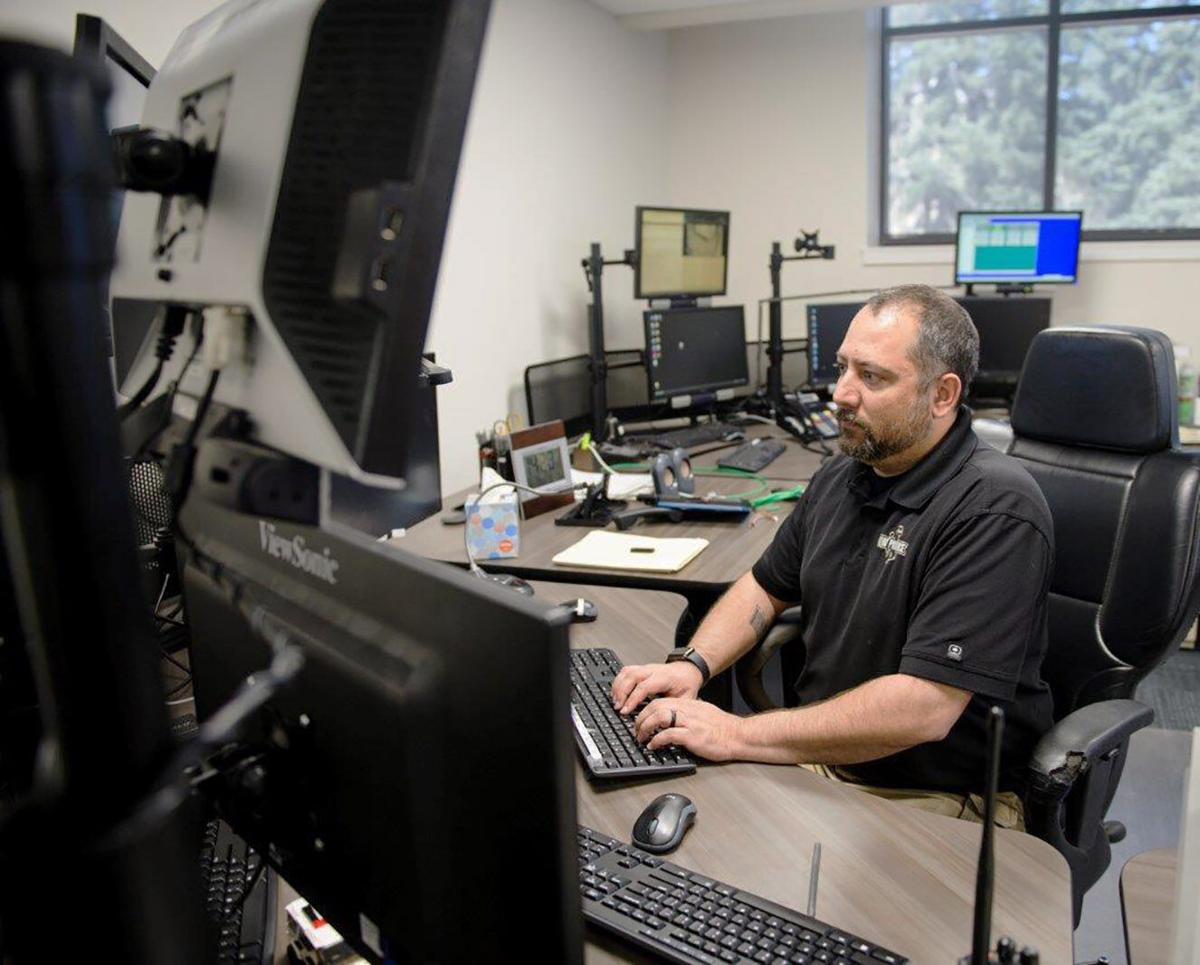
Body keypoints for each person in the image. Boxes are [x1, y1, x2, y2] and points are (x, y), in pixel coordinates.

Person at [611, 284, 1054, 828]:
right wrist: (693, 665)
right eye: (843, 368)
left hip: (933, 795)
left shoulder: (994, 508)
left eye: (872, 377)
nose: (841, 394)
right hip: (822, 758)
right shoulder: (843, 474)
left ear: (942, 395)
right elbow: (765, 586)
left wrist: (735, 732)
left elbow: (924, 709)